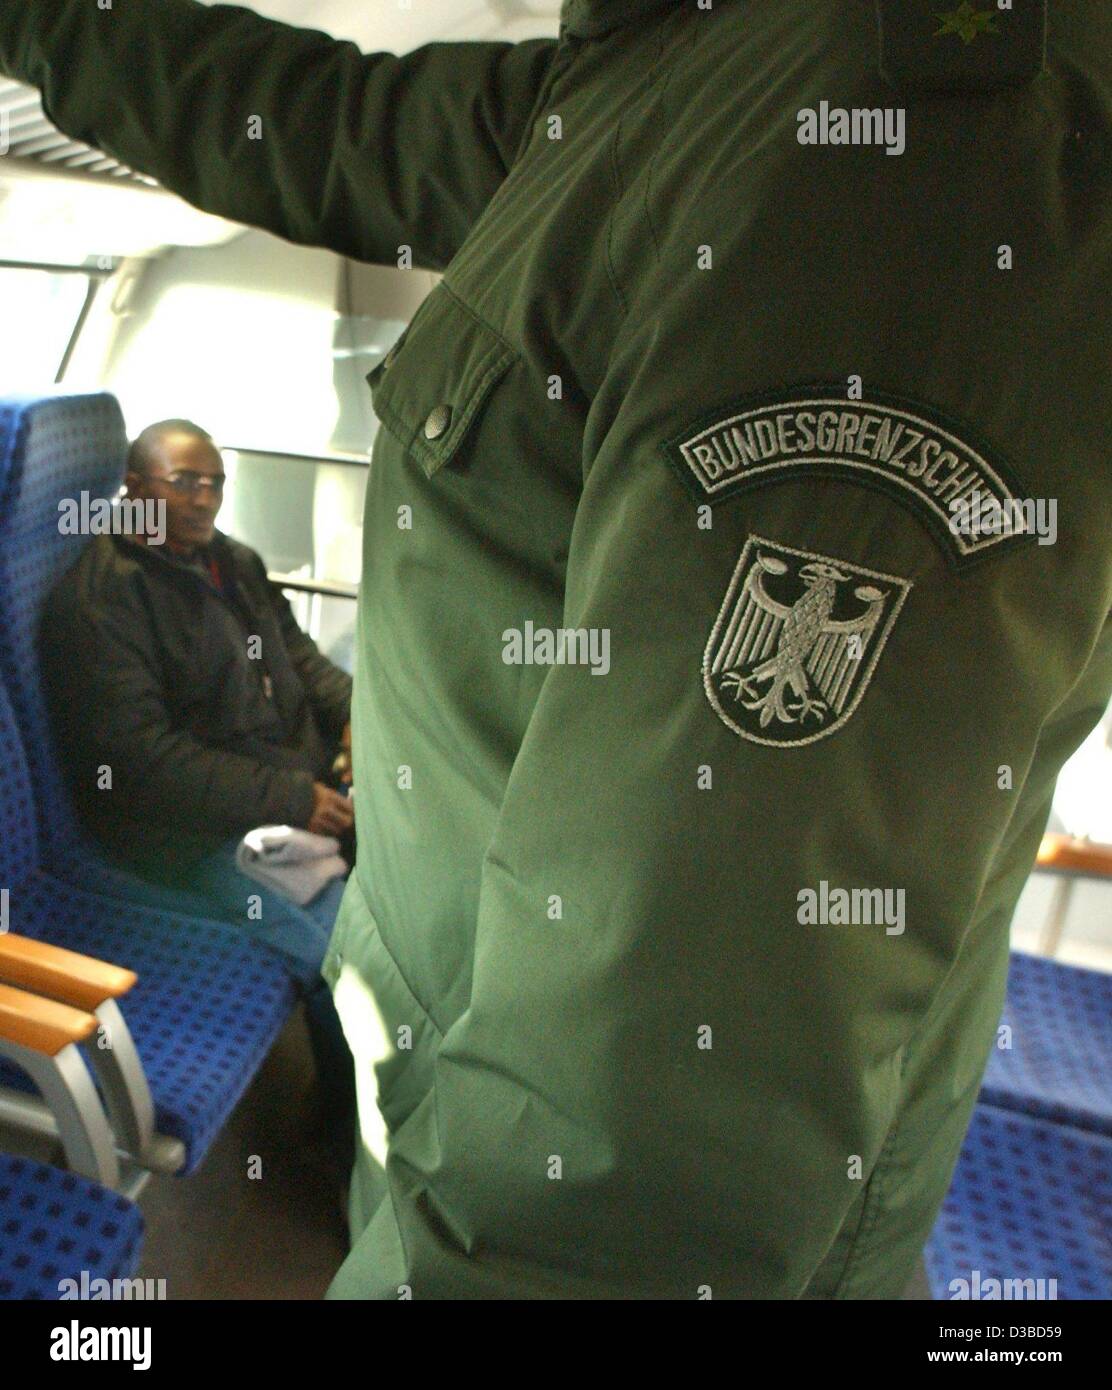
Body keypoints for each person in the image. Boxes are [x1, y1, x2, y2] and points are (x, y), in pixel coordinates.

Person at [4, 0, 1111, 1299]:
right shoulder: (682, 73)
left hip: (503, 1156)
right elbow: (334, 128)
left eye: (206, 482)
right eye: (168, 484)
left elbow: (618, 1186)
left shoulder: (896, 161)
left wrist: (340, 735)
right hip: (424, 1044)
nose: (193, 501)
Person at [39, 419, 356, 1124]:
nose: (205, 497)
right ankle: (343, 1133)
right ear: (136, 486)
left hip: (285, 783)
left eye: (215, 482)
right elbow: (139, 761)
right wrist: (290, 797)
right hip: (183, 831)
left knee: (406, 892)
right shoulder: (103, 599)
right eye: (185, 481)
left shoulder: (231, 563)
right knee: (344, 959)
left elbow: (296, 655)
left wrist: (357, 715)